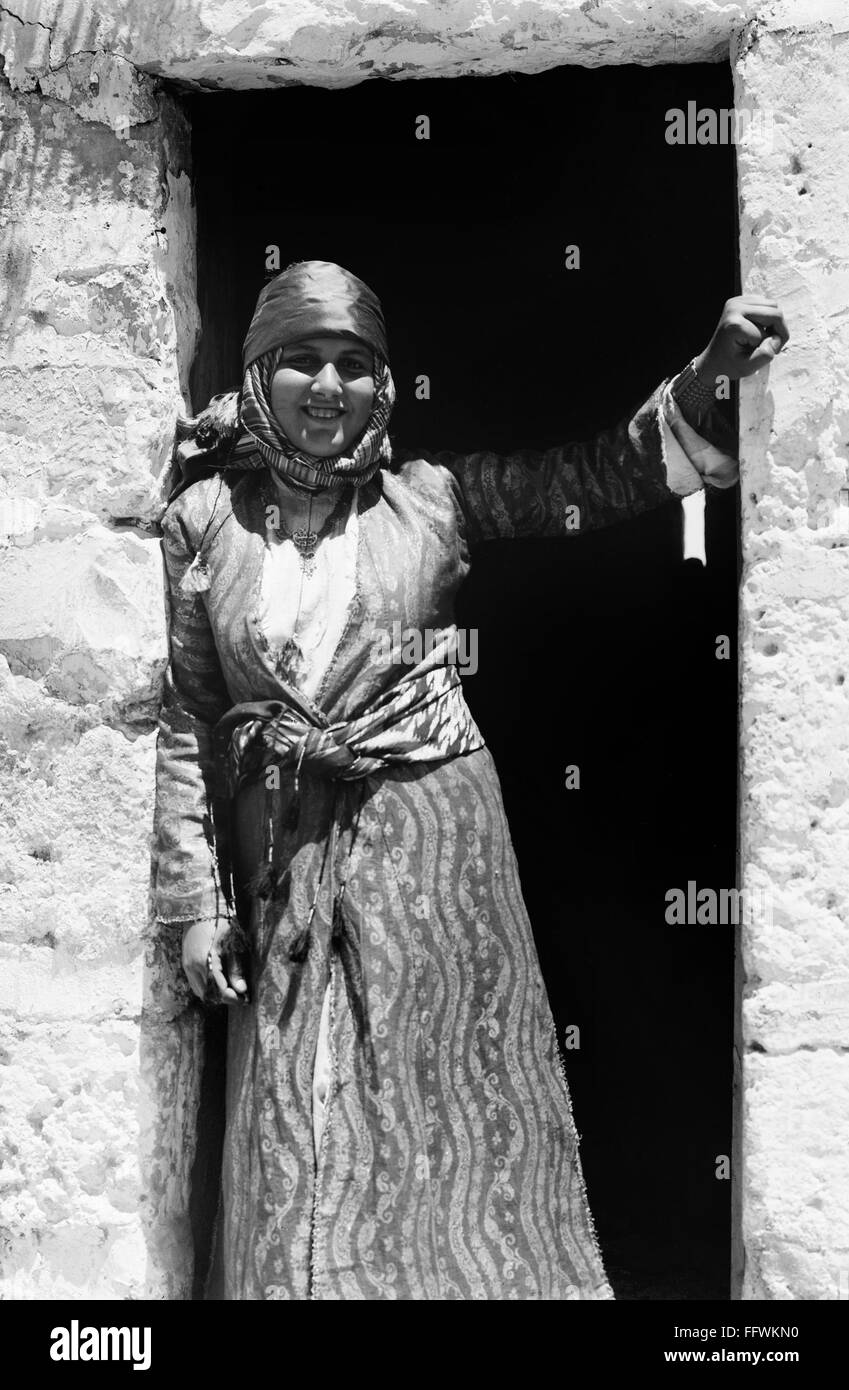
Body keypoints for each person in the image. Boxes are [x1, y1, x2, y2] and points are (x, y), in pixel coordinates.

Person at [152, 260, 788, 1300]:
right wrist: (194, 903)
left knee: (442, 1109)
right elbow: (187, 716)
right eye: (300, 361)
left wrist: (707, 377)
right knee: (294, 1121)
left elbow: (585, 479)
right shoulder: (205, 523)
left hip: (434, 845)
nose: (328, 386)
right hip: (285, 846)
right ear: (260, 378)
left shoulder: (432, 500)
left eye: (354, 365)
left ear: (384, 387)